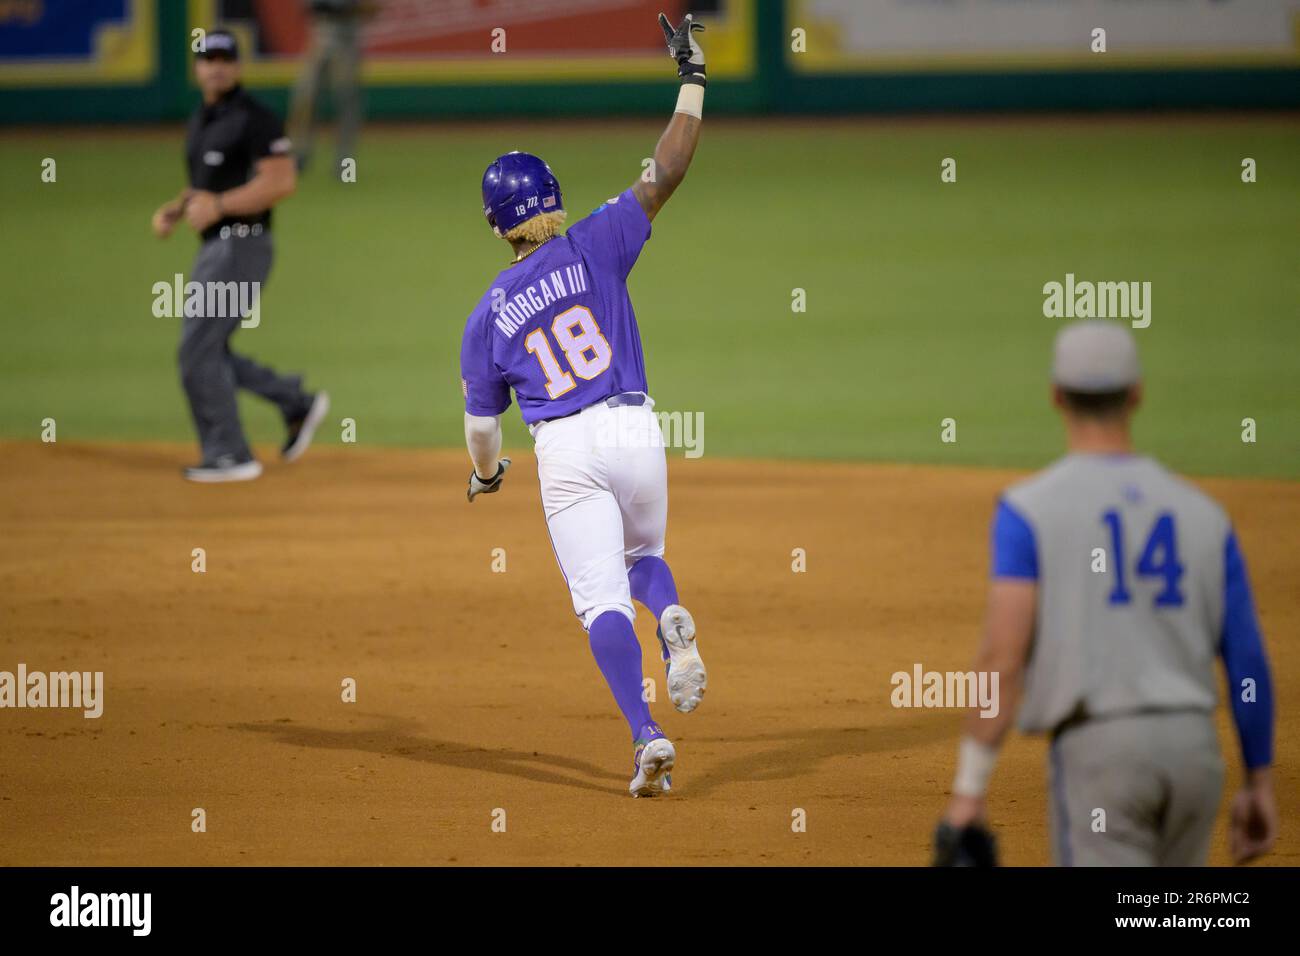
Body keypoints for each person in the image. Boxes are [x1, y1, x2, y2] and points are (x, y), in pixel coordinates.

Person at [458, 14, 709, 796]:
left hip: (563, 451)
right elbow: (665, 170)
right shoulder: (600, 239)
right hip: (637, 427)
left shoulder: (488, 312)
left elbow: (479, 430)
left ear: (497, 225)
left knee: (600, 598)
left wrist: (491, 475)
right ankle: (672, 624)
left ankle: (645, 736)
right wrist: (693, 81)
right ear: (555, 199)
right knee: (644, 560)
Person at [935, 320, 1277, 866]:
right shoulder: (1205, 515)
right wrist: (1259, 777)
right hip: (1195, 756)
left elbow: (1002, 661)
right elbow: (1248, 661)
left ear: (1055, 396)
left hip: (1104, 757)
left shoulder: (1028, 511)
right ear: (1137, 394)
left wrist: (969, 790)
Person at [152, 29, 329, 482]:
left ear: (237, 64)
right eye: (208, 58)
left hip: (241, 244)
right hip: (219, 246)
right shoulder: (204, 118)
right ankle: (295, 401)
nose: (217, 65)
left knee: (196, 351)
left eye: (224, 57)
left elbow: (281, 180)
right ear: (197, 68)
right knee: (208, 349)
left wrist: (220, 206)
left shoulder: (256, 118)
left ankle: (231, 454)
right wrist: (178, 208)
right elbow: (206, 186)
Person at [287, 0, 370, 175]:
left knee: (346, 99)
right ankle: (299, 155)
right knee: (305, 96)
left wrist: (349, 7)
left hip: (347, 36)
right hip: (320, 35)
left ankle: (346, 163)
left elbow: (372, 9)